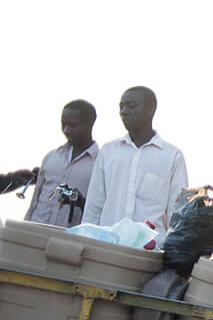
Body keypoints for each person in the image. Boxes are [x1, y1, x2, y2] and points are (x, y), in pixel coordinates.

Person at [82, 86, 187, 235]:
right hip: (108, 243)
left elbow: (176, 211)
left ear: (151, 110)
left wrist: (171, 249)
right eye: (121, 107)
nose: (124, 111)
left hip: (149, 249)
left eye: (131, 106)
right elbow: (94, 205)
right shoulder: (109, 151)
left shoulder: (172, 156)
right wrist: (88, 238)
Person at [25, 99, 99, 227]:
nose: (66, 130)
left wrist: (80, 202)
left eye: (72, 125)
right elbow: (35, 201)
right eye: (63, 124)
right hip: (37, 230)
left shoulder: (100, 164)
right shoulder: (51, 157)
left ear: (90, 124)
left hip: (70, 237)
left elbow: (99, 208)